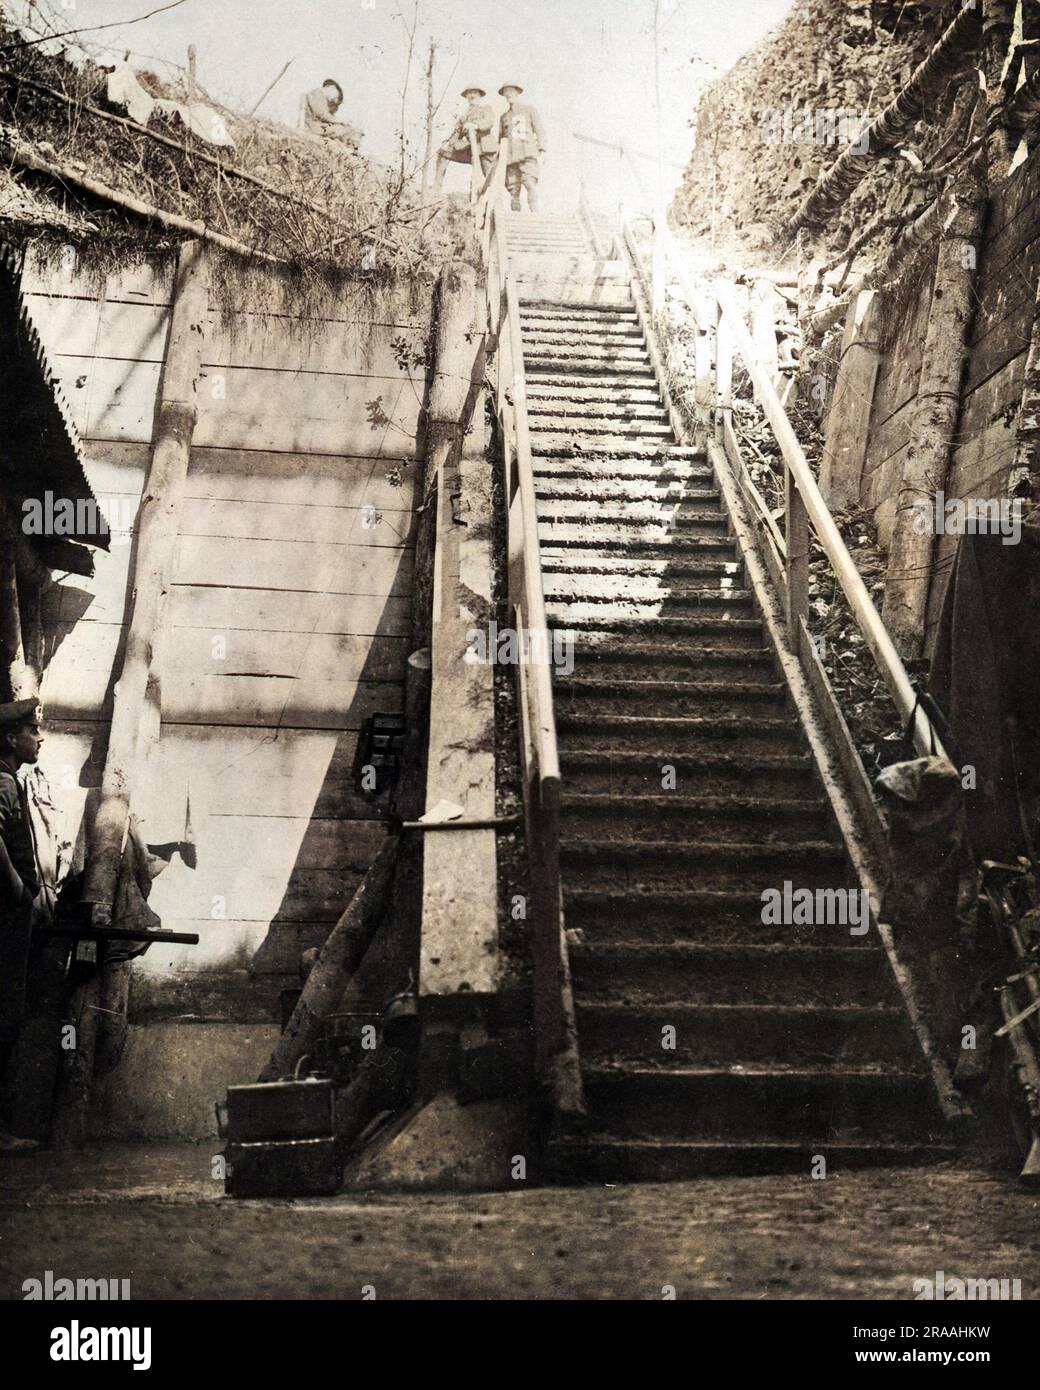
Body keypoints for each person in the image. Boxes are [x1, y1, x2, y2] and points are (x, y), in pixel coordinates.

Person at [0, 697, 46, 1153]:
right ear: (12, 738)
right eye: (32, 731)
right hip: (6, 918)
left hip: (13, 915)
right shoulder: (2, 782)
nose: (39, 738)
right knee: (5, 1017)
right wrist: (18, 890)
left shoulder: (11, 780)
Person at [434, 86, 498, 190]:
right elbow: (456, 133)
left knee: (490, 180)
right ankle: (436, 189)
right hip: (470, 150)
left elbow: (489, 122)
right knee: (442, 152)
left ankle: (493, 198)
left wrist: (475, 125)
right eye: (469, 93)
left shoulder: (486, 109)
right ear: (466, 96)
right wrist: (448, 143)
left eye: (475, 93)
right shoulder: (464, 117)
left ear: (479, 95)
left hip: (484, 150)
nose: (472, 95)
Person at [498, 83, 546, 212]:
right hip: (510, 158)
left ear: (517, 92)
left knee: (530, 183)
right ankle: (516, 217)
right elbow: (500, 139)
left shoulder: (529, 110)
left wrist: (542, 150)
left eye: (511, 91)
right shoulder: (504, 117)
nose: (508, 94)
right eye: (506, 92)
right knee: (513, 190)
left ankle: (535, 214)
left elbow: (539, 130)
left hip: (527, 154)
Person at [302, 78, 363, 150]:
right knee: (346, 130)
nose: (335, 100)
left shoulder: (321, 96)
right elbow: (322, 114)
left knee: (349, 129)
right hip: (314, 126)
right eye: (337, 96)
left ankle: (351, 148)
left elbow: (324, 115)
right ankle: (351, 148)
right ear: (332, 88)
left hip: (318, 126)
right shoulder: (317, 93)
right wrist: (340, 120)